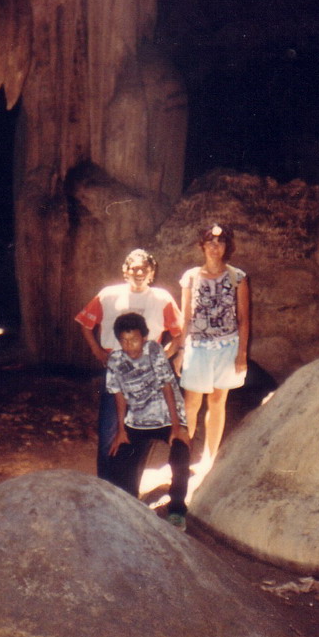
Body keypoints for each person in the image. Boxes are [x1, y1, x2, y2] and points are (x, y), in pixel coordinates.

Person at [75, 249, 182, 481]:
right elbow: (85, 323)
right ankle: (105, 482)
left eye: (145, 269)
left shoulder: (161, 298)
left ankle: (129, 486)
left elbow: (179, 332)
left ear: (152, 273)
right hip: (116, 368)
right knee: (110, 427)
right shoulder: (108, 295)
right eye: (134, 268)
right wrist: (96, 350)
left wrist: (163, 356)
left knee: (140, 429)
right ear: (125, 271)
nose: (139, 273)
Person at [106, 311, 190, 528]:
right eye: (124, 341)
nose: (129, 346)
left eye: (134, 340)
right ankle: (130, 506)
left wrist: (176, 426)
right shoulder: (115, 360)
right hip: (137, 421)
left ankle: (177, 509)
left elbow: (167, 387)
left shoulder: (154, 351)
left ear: (143, 338)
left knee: (180, 455)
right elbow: (119, 394)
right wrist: (121, 430)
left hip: (166, 416)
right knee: (120, 460)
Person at [178, 223, 249, 464]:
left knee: (218, 401)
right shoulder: (190, 277)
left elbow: (243, 318)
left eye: (220, 242)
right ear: (202, 246)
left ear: (226, 246)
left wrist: (241, 354)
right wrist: (179, 350)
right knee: (192, 402)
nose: (215, 247)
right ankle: (182, 456)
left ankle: (210, 457)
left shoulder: (237, 277)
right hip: (197, 347)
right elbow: (185, 316)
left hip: (226, 347)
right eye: (210, 242)